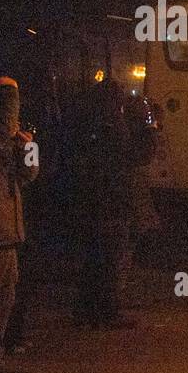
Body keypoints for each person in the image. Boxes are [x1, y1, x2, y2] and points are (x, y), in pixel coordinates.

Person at [71, 76, 136, 329]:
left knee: (95, 259)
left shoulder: (88, 123)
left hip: (94, 201)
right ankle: (106, 312)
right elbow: (130, 156)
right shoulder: (114, 125)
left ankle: (86, 310)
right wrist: (149, 131)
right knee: (109, 260)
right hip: (111, 201)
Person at [0, 78, 37, 373]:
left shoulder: (4, 144)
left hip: (6, 234)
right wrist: (10, 90)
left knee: (2, 306)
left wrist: (28, 148)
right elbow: (2, 127)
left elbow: (29, 175)